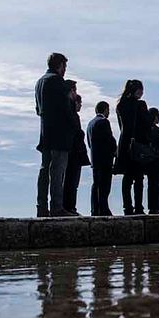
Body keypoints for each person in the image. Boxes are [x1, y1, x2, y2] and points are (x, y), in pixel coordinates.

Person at [35, 52, 76, 217]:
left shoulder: (39, 83)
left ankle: (41, 207)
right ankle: (57, 207)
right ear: (60, 65)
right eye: (64, 66)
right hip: (60, 134)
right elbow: (66, 109)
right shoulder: (57, 82)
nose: (65, 70)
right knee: (58, 172)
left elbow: (38, 110)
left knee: (45, 171)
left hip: (45, 134)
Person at [113, 79, 151, 215]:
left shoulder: (121, 105)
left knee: (127, 178)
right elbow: (147, 123)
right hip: (138, 144)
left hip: (124, 143)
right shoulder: (140, 105)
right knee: (139, 178)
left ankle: (127, 207)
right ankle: (139, 207)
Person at [63, 83, 90, 215]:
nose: (80, 105)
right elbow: (76, 132)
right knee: (71, 181)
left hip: (73, 151)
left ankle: (70, 206)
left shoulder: (72, 113)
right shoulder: (72, 113)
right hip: (74, 152)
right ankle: (70, 206)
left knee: (71, 181)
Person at [86, 101, 117, 216]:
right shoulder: (104, 122)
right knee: (105, 186)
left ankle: (95, 209)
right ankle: (104, 209)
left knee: (96, 185)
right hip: (105, 159)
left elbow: (89, 142)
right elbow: (109, 140)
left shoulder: (90, 123)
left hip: (95, 159)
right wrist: (115, 151)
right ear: (105, 109)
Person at [145, 107, 159, 214]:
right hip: (157, 160)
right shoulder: (156, 130)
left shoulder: (147, 129)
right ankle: (155, 207)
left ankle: (152, 206)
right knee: (157, 184)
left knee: (151, 184)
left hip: (150, 160)